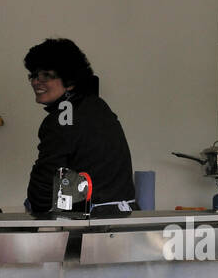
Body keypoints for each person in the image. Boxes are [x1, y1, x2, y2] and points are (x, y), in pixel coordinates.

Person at [23, 38, 135, 215]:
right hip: (122, 216)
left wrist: (36, 206)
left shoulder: (63, 116)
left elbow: (45, 184)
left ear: (69, 78)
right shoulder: (97, 106)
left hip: (90, 223)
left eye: (45, 75)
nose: (36, 81)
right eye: (33, 75)